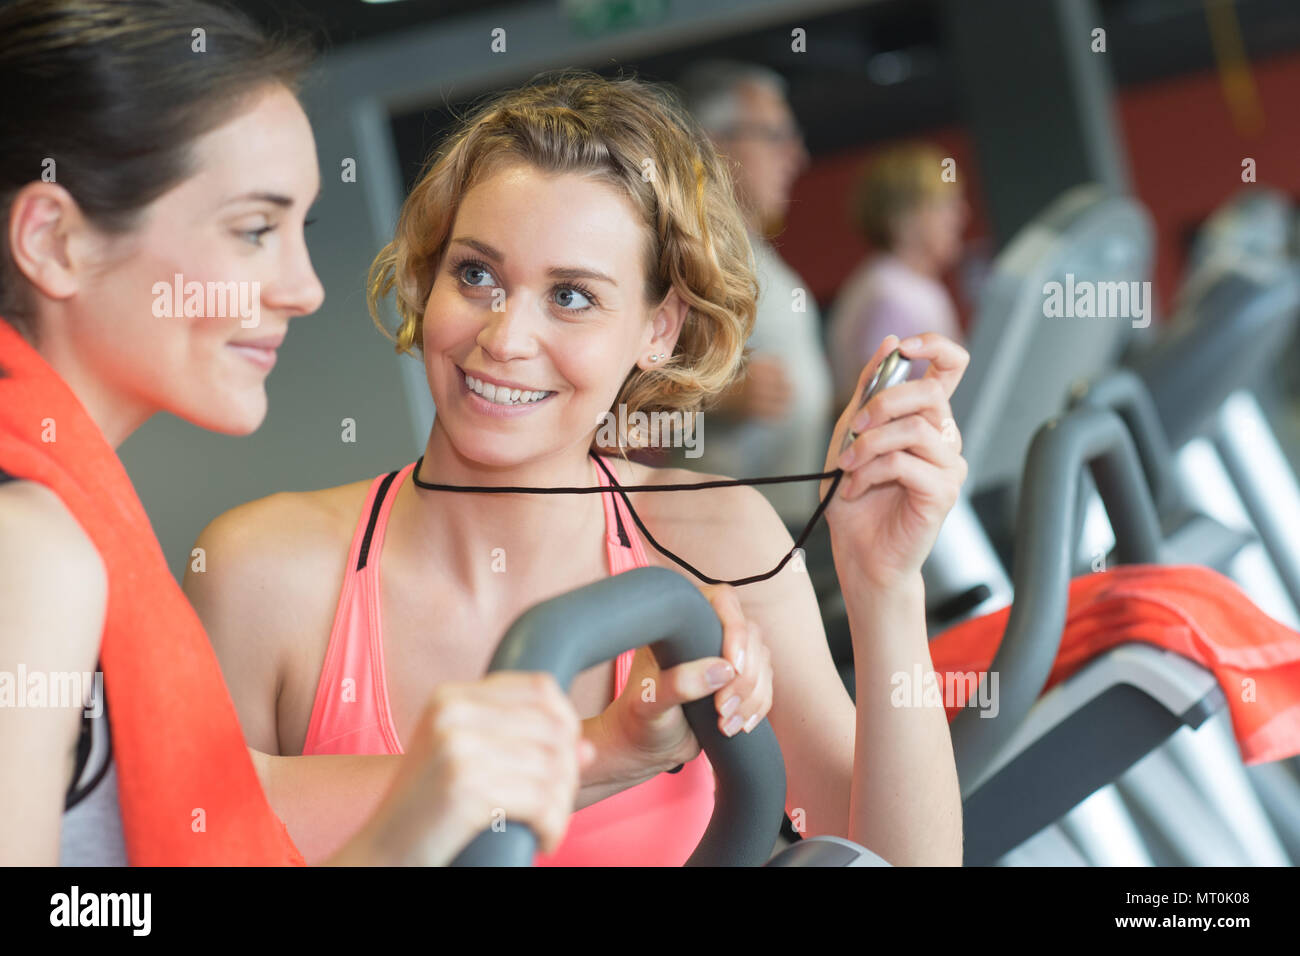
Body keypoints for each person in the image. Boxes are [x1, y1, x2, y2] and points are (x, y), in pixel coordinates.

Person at [189, 70, 971, 867]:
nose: (505, 337)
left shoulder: (713, 536)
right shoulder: (265, 571)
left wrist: (884, 590)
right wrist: (599, 753)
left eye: (570, 296)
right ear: (427, 278)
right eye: (477, 275)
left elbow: (894, 860)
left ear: (658, 330)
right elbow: (192, 844)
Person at [0, 0, 589, 867]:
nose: (304, 288)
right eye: (253, 231)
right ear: (55, 239)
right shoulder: (32, 552)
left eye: (296, 232)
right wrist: (400, 843)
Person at [668, 61, 835, 533]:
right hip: (722, 539)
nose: (796, 156)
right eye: (775, 135)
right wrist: (714, 397)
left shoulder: (756, 253)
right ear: (714, 143)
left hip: (785, 523)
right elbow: (616, 391)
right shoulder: (682, 254)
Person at [827, 142, 970, 408]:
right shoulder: (888, 293)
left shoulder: (914, 285)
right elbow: (876, 403)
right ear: (903, 218)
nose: (960, 215)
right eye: (944, 204)